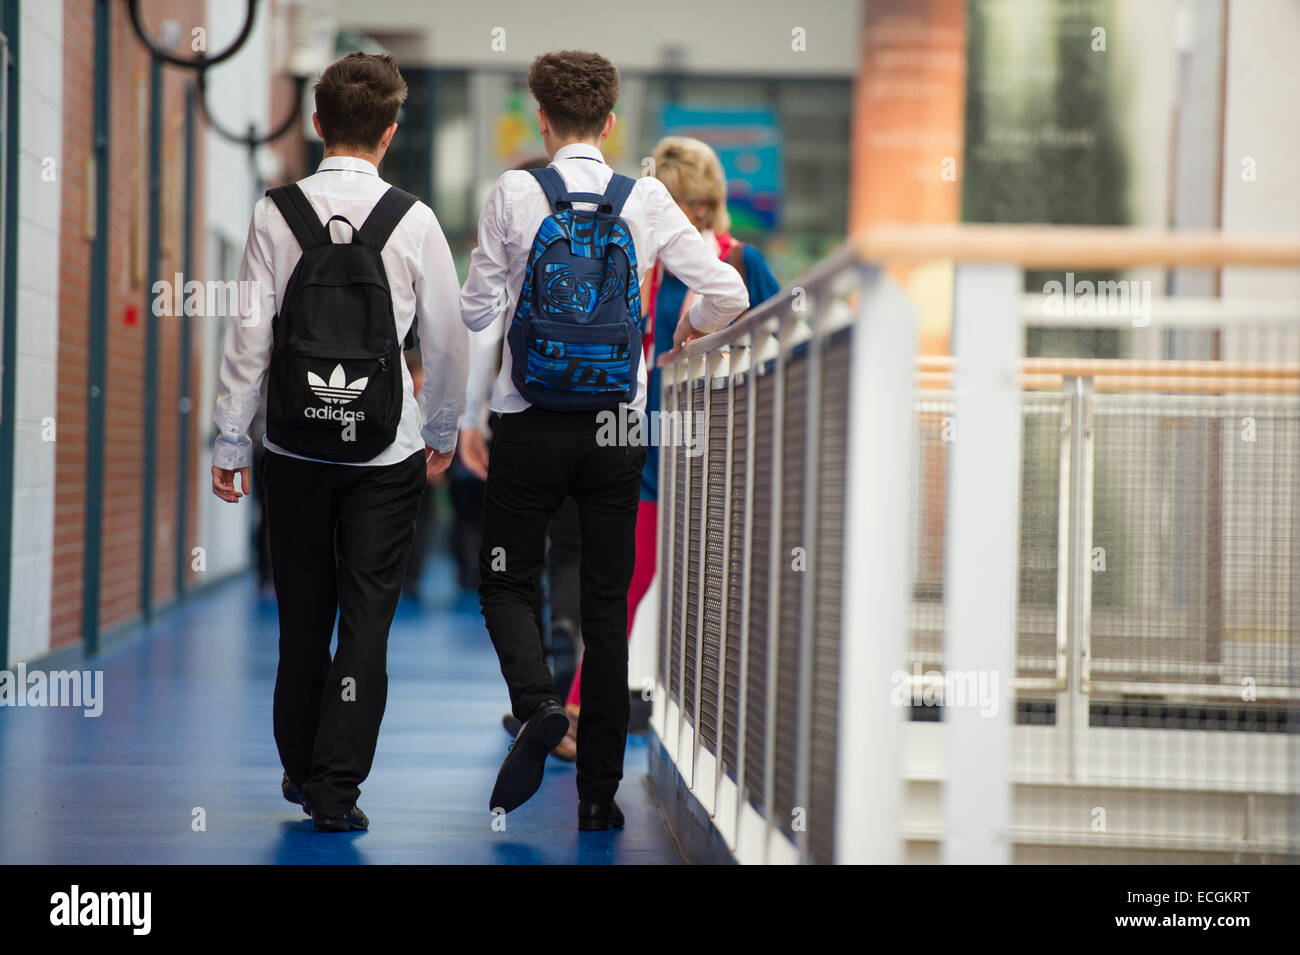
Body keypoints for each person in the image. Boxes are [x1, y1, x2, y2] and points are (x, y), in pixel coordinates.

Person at [460, 50, 748, 829]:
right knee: (605, 607)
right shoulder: (646, 198)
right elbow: (731, 290)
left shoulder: (516, 192)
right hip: (617, 425)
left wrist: (464, 408)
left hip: (527, 418)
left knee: (505, 581)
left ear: (542, 119)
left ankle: (539, 704)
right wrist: (683, 330)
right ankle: (597, 797)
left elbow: (479, 314)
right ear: (612, 124)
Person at [210, 52, 467, 832]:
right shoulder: (414, 220)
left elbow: (248, 339)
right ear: (390, 132)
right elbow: (450, 340)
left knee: (302, 616)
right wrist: (444, 431)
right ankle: (337, 788)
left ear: (317, 123)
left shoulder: (271, 212)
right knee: (366, 621)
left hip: (292, 449)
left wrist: (230, 443)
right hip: (386, 451)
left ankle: (298, 763)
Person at [561, 136, 782, 725]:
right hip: (652, 439)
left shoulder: (743, 263)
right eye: (684, 205)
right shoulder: (647, 264)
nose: (696, 217)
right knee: (627, 578)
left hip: (726, 447)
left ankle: (736, 720)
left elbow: (784, 344)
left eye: (704, 206)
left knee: (724, 590)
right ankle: (579, 709)